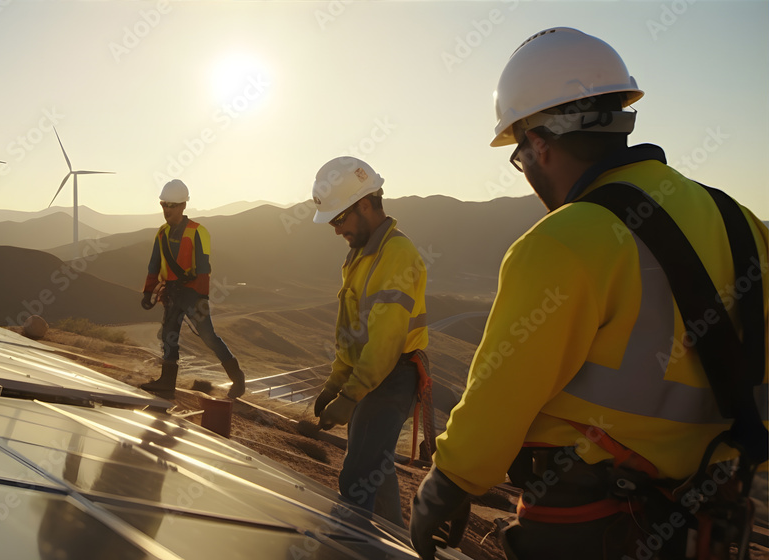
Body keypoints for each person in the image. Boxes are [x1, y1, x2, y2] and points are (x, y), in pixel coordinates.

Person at [409, 27, 768, 560]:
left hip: (589, 528)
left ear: (539, 145)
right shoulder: (742, 223)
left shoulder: (562, 240)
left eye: (519, 156)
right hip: (708, 525)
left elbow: (502, 392)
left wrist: (449, 483)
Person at [310, 156, 429, 527]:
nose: (336, 230)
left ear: (364, 204)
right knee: (375, 466)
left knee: (358, 476)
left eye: (338, 219)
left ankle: (354, 546)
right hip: (372, 373)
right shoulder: (360, 255)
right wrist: (335, 382)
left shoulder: (396, 255)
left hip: (391, 375)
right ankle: (393, 542)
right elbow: (352, 333)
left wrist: (349, 397)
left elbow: (386, 342)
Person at [139, 179, 246, 399]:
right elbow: (154, 264)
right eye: (163, 204)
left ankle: (237, 379)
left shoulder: (198, 231)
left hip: (192, 294)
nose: (166, 209)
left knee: (208, 336)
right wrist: (148, 292)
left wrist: (200, 297)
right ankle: (167, 382)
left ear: (183, 205)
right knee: (168, 336)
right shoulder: (161, 233)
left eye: (171, 205)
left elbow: (204, 268)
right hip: (171, 293)